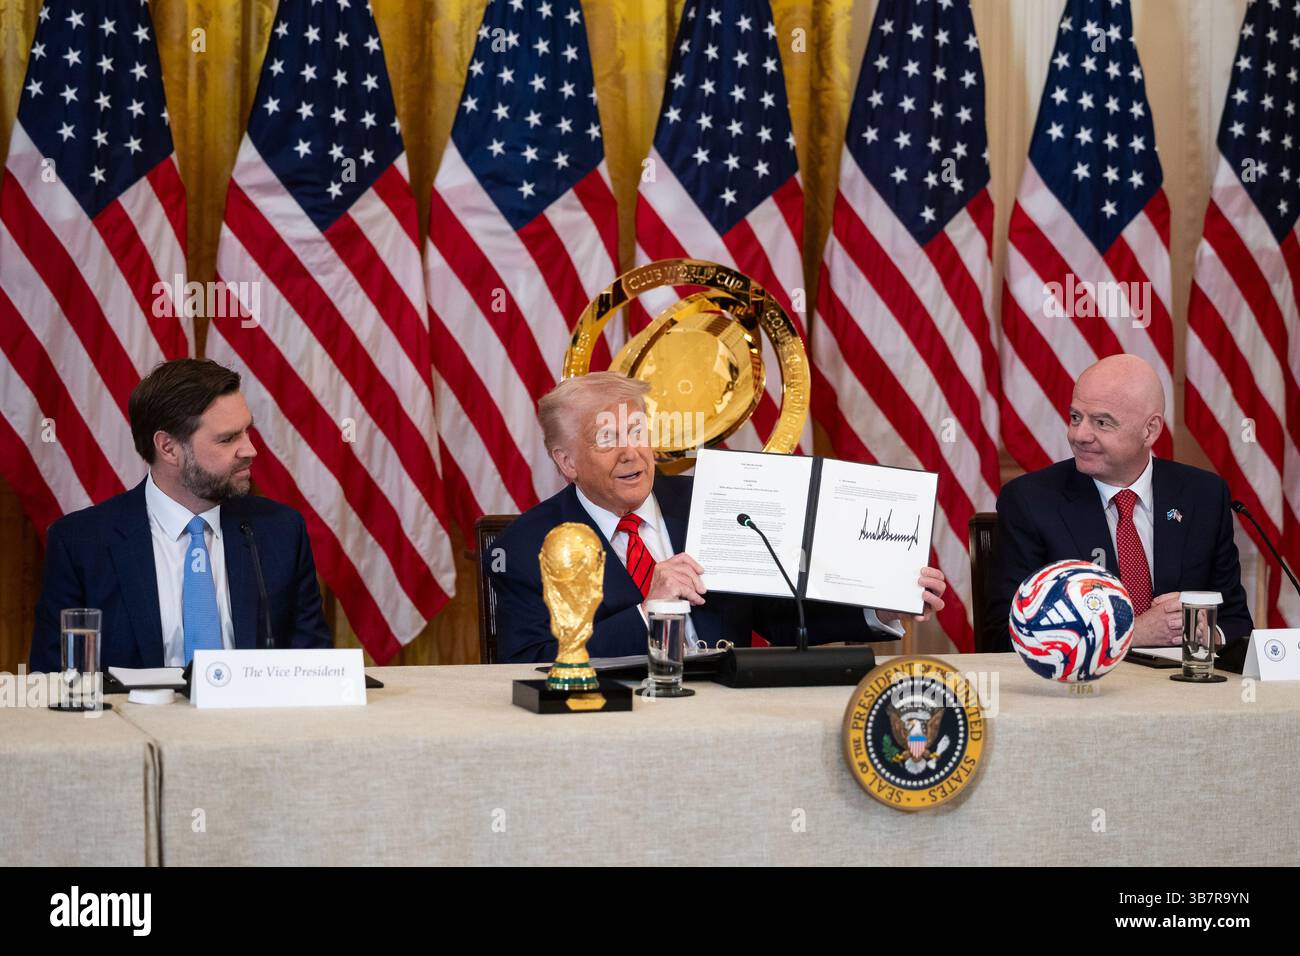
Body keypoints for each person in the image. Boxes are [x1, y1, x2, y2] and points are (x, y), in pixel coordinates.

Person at [490, 372, 947, 662]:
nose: (631, 452)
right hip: (613, 727)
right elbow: (531, 663)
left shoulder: (718, 501)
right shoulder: (529, 545)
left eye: (637, 431)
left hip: (734, 712)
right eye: (607, 439)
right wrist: (648, 610)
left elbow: (780, 615)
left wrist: (879, 604)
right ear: (567, 462)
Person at [29, 359, 331, 671]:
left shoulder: (279, 532)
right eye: (228, 439)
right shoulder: (82, 543)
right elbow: (57, 678)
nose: (250, 450)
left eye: (247, 432)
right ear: (168, 447)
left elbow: (315, 667)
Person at [990, 354, 1252, 651]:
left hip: (1182, 691)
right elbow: (1008, 633)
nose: (1079, 435)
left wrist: (1206, 634)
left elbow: (1235, 620)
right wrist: (1131, 633)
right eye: (1076, 417)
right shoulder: (1031, 501)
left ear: (1150, 430)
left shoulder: (1204, 496)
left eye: (1102, 423)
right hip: (1080, 692)